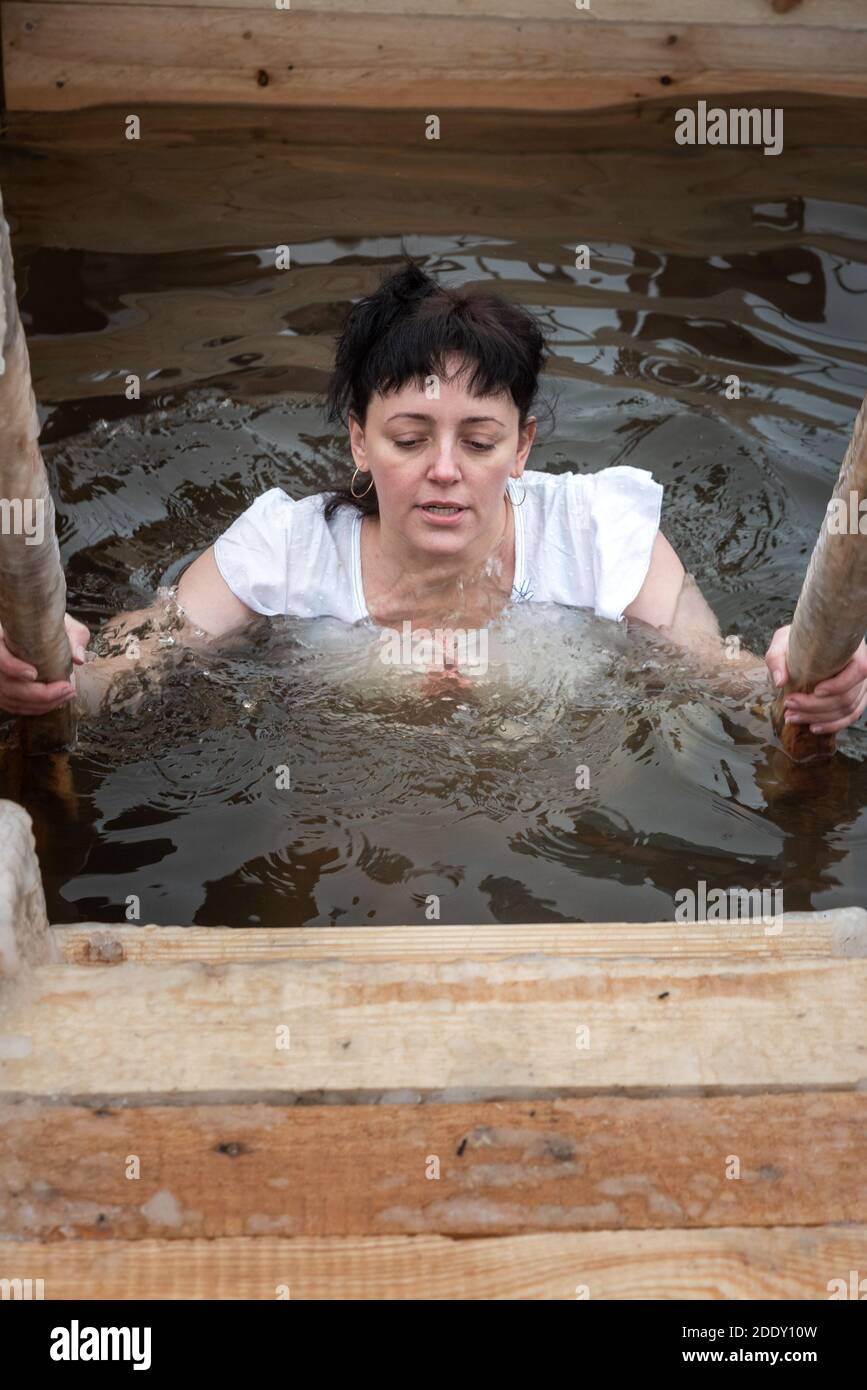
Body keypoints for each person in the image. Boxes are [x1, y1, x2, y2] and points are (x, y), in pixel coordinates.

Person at [1, 261, 866, 731]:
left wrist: (803, 678)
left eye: (479, 441)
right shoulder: (283, 551)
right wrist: (50, 667)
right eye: (409, 440)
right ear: (358, 442)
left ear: (523, 447)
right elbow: (129, 672)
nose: (444, 469)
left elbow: (724, 688)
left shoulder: (601, 538)